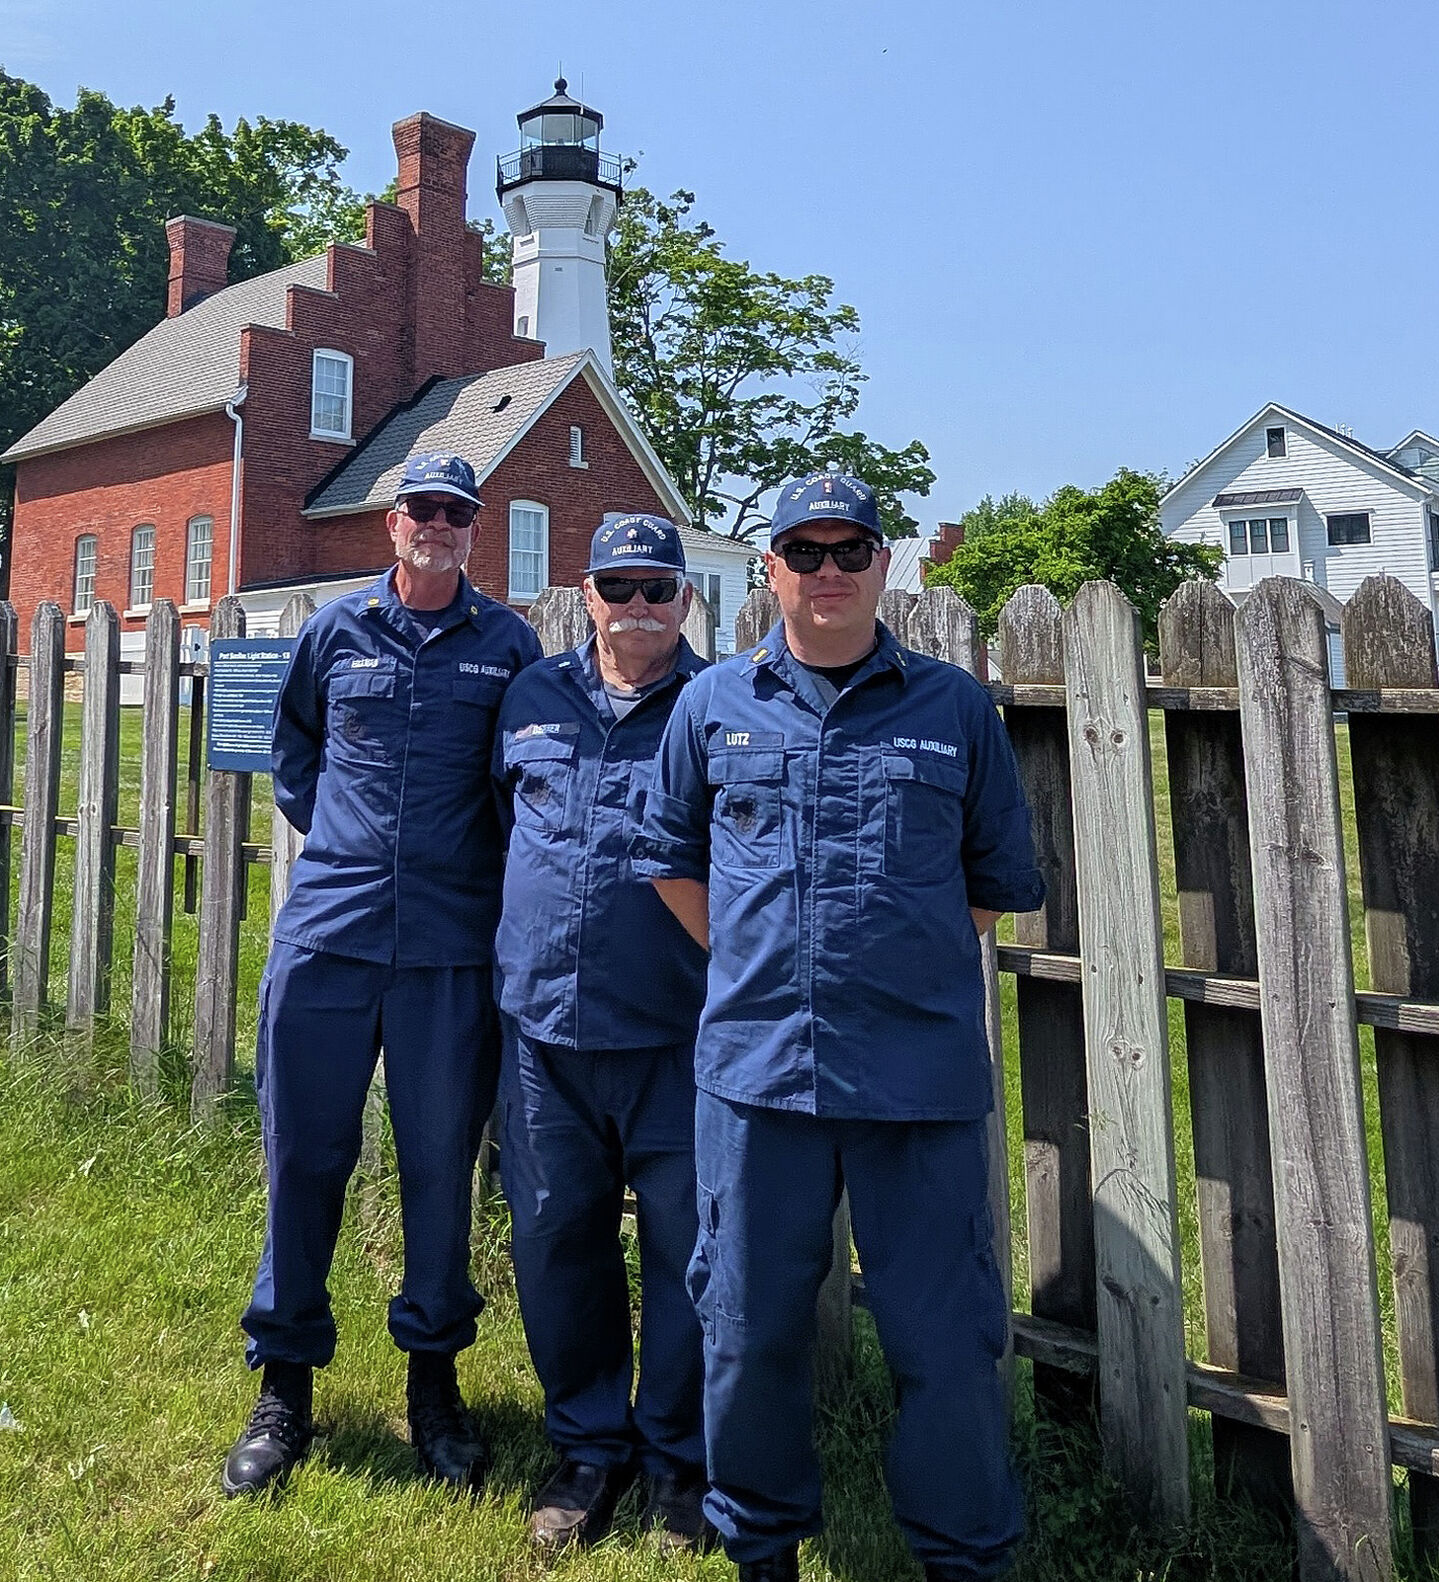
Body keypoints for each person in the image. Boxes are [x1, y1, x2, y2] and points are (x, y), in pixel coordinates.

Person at [639, 472, 1045, 1582]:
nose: (827, 573)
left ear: (881, 564)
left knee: (945, 1341)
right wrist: (760, 959)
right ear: (766, 567)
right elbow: (669, 861)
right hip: (756, 1073)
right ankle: (758, 1545)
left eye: (848, 551)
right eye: (802, 553)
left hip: (914, 1079)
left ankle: (962, 1556)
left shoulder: (953, 708)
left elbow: (990, 881)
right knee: (748, 1326)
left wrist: (882, 960)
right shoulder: (710, 704)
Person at [223, 450, 542, 1499]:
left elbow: (520, 780)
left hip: (450, 947)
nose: (437, 524)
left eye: (455, 510)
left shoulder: (509, 647)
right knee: (305, 1156)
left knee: (439, 1167)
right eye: (421, 509)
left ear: (471, 526)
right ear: (390, 524)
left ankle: (433, 1387)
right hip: (329, 935)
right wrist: (354, 845)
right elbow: (296, 750)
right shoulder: (333, 632)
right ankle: (283, 1384)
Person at [492, 514, 714, 1553]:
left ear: (683, 597)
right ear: (584, 591)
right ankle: (587, 1449)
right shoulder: (531, 697)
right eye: (616, 586)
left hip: (678, 1035)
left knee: (688, 1255)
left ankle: (679, 1461)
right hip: (544, 1034)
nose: (636, 607)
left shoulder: (719, 707)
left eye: (655, 588)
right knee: (553, 1241)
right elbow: (496, 825)